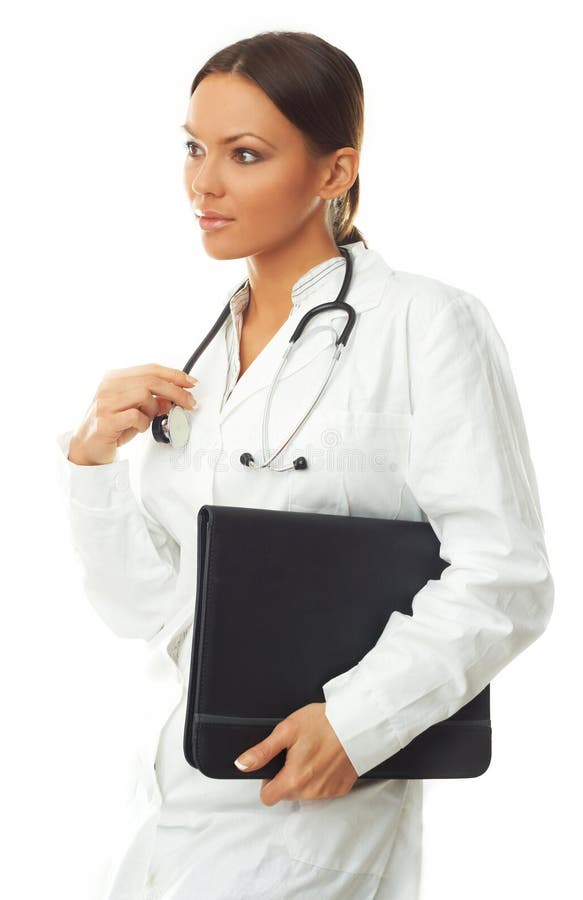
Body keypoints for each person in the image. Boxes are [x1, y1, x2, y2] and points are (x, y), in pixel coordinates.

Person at [55, 30, 554, 900]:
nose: (203, 183)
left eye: (244, 155)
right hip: (168, 794)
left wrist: (355, 726)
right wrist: (93, 462)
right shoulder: (203, 362)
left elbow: (504, 576)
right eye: (193, 147)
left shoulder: (424, 324)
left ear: (334, 173)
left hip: (311, 804)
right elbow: (147, 610)